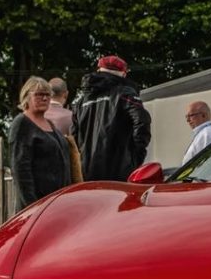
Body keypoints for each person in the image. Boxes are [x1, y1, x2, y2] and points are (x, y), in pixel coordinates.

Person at [71, 55, 151, 181]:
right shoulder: (125, 93)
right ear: (123, 74)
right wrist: (135, 156)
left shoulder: (80, 102)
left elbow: (74, 135)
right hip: (120, 170)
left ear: (99, 70)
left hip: (87, 171)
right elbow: (142, 122)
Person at [8, 76, 72, 211]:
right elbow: (21, 170)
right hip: (36, 207)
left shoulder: (50, 124)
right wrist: (32, 207)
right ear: (26, 97)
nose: (44, 98)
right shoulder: (22, 123)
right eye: (39, 94)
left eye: (47, 95)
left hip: (56, 203)